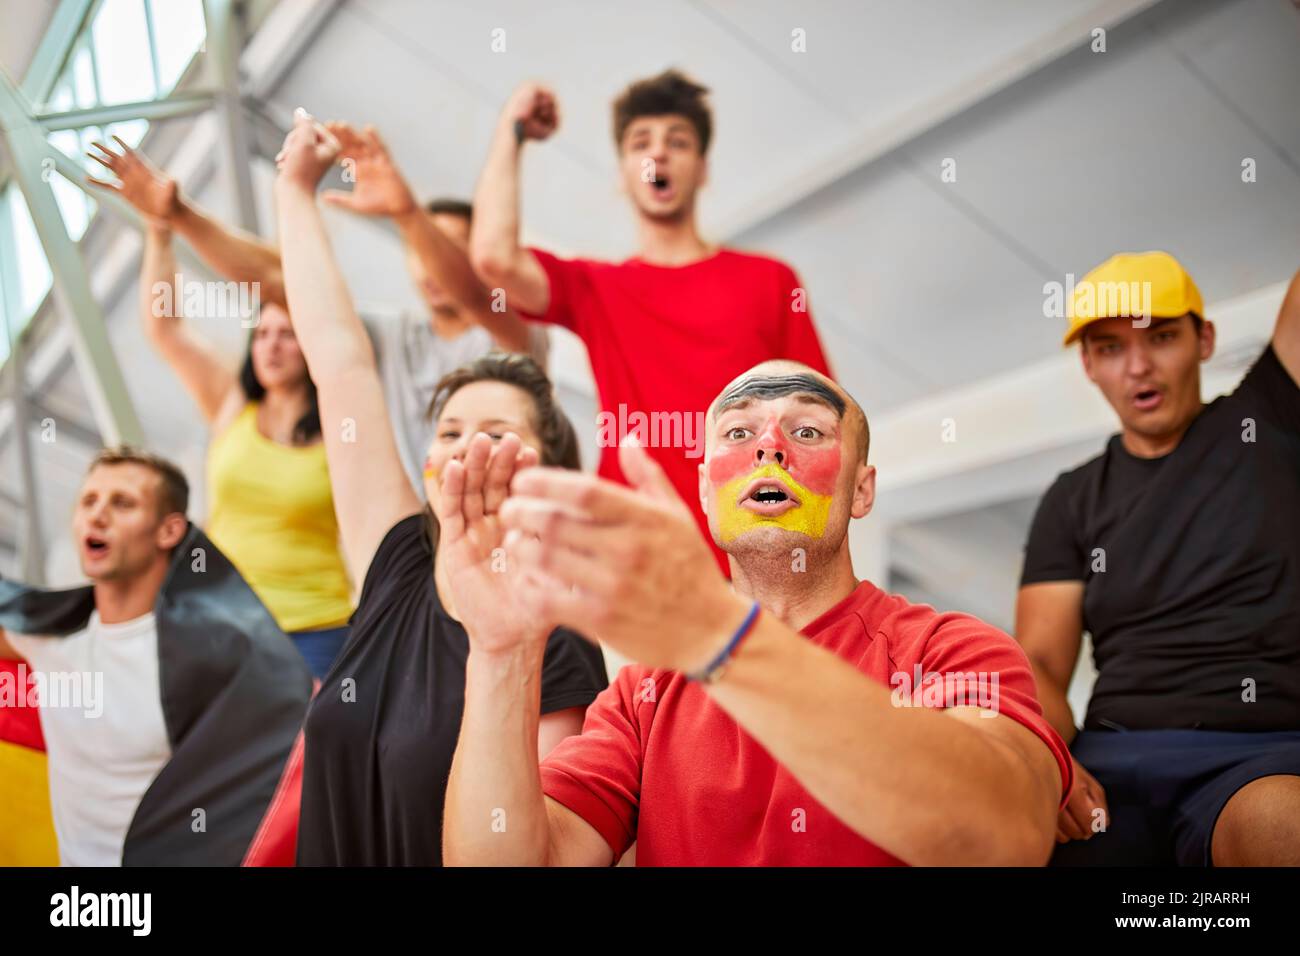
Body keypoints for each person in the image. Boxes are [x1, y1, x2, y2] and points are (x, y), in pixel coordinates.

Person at [442, 360, 1071, 866]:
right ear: (705, 493)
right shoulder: (641, 696)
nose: (769, 447)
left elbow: (1007, 837)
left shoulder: (951, 649)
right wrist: (501, 651)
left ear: (861, 489)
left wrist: (717, 634)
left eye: (808, 431)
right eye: (738, 433)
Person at [273, 112, 607, 865]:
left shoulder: (556, 643)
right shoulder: (392, 560)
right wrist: (294, 189)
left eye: (494, 433)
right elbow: (340, 361)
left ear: (547, 472)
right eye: (450, 432)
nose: (464, 451)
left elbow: (535, 851)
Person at [470, 70, 831, 569]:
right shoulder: (596, 287)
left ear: (702, 169)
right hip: (626, 557)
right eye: (642, 142)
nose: (659, 153)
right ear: (624, 172)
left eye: (677, 142)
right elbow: (492, 258)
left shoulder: (770, 280)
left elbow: (822, 417)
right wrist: (511, 128)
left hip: (753, 558)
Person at [1016, 251, 1300, 866]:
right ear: (1089, 364)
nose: (1139, 366)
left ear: (1205, 339)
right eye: (1111, 348)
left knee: (1284, 831)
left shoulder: (1272, 418)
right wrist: (1046, 760)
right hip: (1110, 760)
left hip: (1259, 752)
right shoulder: (1071, 499)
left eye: (1163, 336)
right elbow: (1038, 662)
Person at [87, 131, 546, 494]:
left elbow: (472, 293)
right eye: (419, 249)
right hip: (429, 552)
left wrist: (408, 215)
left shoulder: (513, 324)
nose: (430, 262)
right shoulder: (392, 337)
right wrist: (181, 216)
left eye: (447, 245)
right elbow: (282, 285)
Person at [0, 447, 312, 866]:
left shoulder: (209, 661)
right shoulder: (45, 639)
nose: (97, 515)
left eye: (123, 503)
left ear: (169, 532)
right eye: (88, 501)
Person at [133, 219, 352, 677]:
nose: (271, 347)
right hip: (221, 621)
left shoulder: (343, 421)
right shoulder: (233, 404)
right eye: (262, 334)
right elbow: (165, 329)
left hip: (316, 629)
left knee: (307, 749)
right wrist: (159, 230)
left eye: (287, 334)